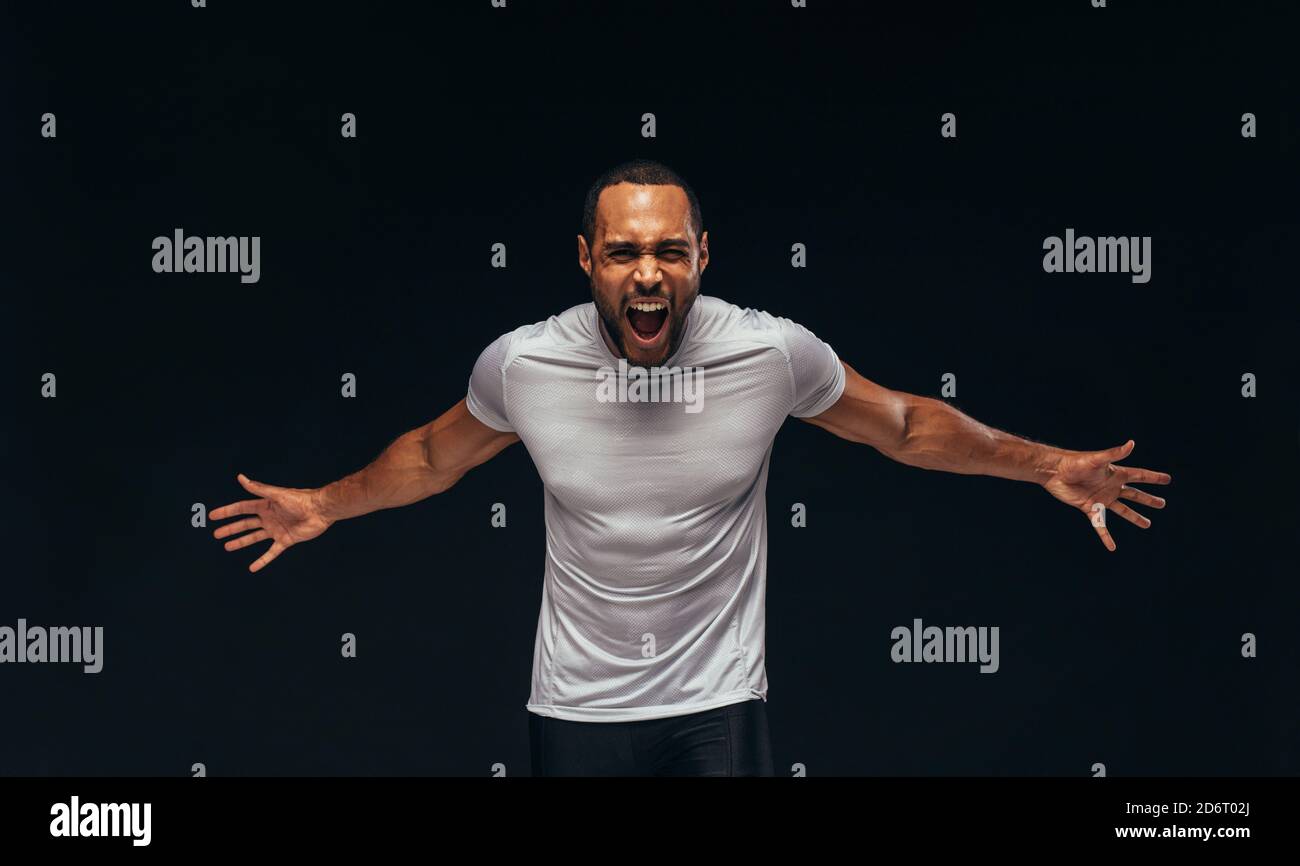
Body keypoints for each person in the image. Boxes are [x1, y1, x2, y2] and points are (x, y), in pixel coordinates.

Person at [211, 158, 1172, 776]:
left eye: (670, 251)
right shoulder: (524, 365)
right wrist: (323, 506)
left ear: (702, 257)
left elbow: (908, 426)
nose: (648, 274)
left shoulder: (771, 354)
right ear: (587, 260)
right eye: (624, 252)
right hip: (576, 707)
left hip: (717, 706)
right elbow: (429, 455)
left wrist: (1048, 465)